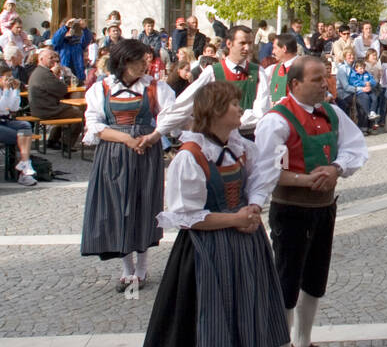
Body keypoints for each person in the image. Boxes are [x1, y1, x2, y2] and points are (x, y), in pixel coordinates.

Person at [136, 83, 290, 347]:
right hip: (206, 251)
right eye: (234, 104)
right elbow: (185, 216)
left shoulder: (238, 147)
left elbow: (259, 181)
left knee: (234, 314)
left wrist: (251, 209)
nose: (239, 110)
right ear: (217, 112)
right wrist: (235, 219)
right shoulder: (190, 155)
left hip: (241, 244)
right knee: (205, 321)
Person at [254, 56, 368, 347]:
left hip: (324, 207)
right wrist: (305, 180)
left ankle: (302, 343)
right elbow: (264, 171)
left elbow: (355, 147)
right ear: (294, 85)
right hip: (291, 210)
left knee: (315, 278)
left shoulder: (333, 114)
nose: (324, 83)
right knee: (287, 280)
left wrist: (335, 169)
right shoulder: (276, 121)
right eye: (317, 79)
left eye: (326, 77)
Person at [80, 38, 175, 291]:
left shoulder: (155, 87)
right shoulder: (101, 89)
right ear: (123, 62)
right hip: (113, 154)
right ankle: (126, 268)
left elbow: (170, 116)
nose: (147, 64)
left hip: (146, 151)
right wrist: (126, 139)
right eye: (140, 60)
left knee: (143, 205)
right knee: (117, 206)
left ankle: (141, 269)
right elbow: (95, 125)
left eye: (147, 59)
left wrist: (152, 137)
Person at [156, 24, 271, 136]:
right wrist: (158, 132)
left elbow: (261, 111)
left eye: (250, 43)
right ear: (229, 44)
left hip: (248, 137)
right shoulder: (213, 72)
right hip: (217, 140)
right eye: (242, 43)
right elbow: (185, 103)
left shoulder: (258, 72)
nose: (247, 48)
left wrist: (231, 122)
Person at [26, 47, 83, 148]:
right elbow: (62, 90)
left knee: (68, 112)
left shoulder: (40, 72)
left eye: (56, 57)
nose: (55, 60)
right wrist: (55, 74)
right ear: (41, 59)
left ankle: (53, 140)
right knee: (79, 114)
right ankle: (66, 144)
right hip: (46, 110)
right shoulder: (45, 74)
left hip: (41, 108)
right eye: (50, 58)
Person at [0, 71, 37, 185]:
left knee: (25, 126)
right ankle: (24, 170)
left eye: (11, 76)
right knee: (20, 136)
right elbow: (1, 107)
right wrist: (6, 91)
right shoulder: (5, 90)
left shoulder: (7, 89)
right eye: (7, 77)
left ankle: (24, 164)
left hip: (4, 120)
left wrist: (15, 90)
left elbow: (14, 108)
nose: (10, 79)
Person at [51, 16, 93, 84]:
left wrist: (85, 28)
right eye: (69, 29)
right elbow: (55, 41)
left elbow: (87, 39)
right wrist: (65, 27)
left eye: (72, 28)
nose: (71, 31)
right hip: (64, 75)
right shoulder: (60, 43)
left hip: (78, 74)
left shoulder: (77, 42)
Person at [267, 32, 300, 104]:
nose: (273, 52)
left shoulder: (303, 68)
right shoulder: (274, 68)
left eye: (275, 48)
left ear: (284, 48)